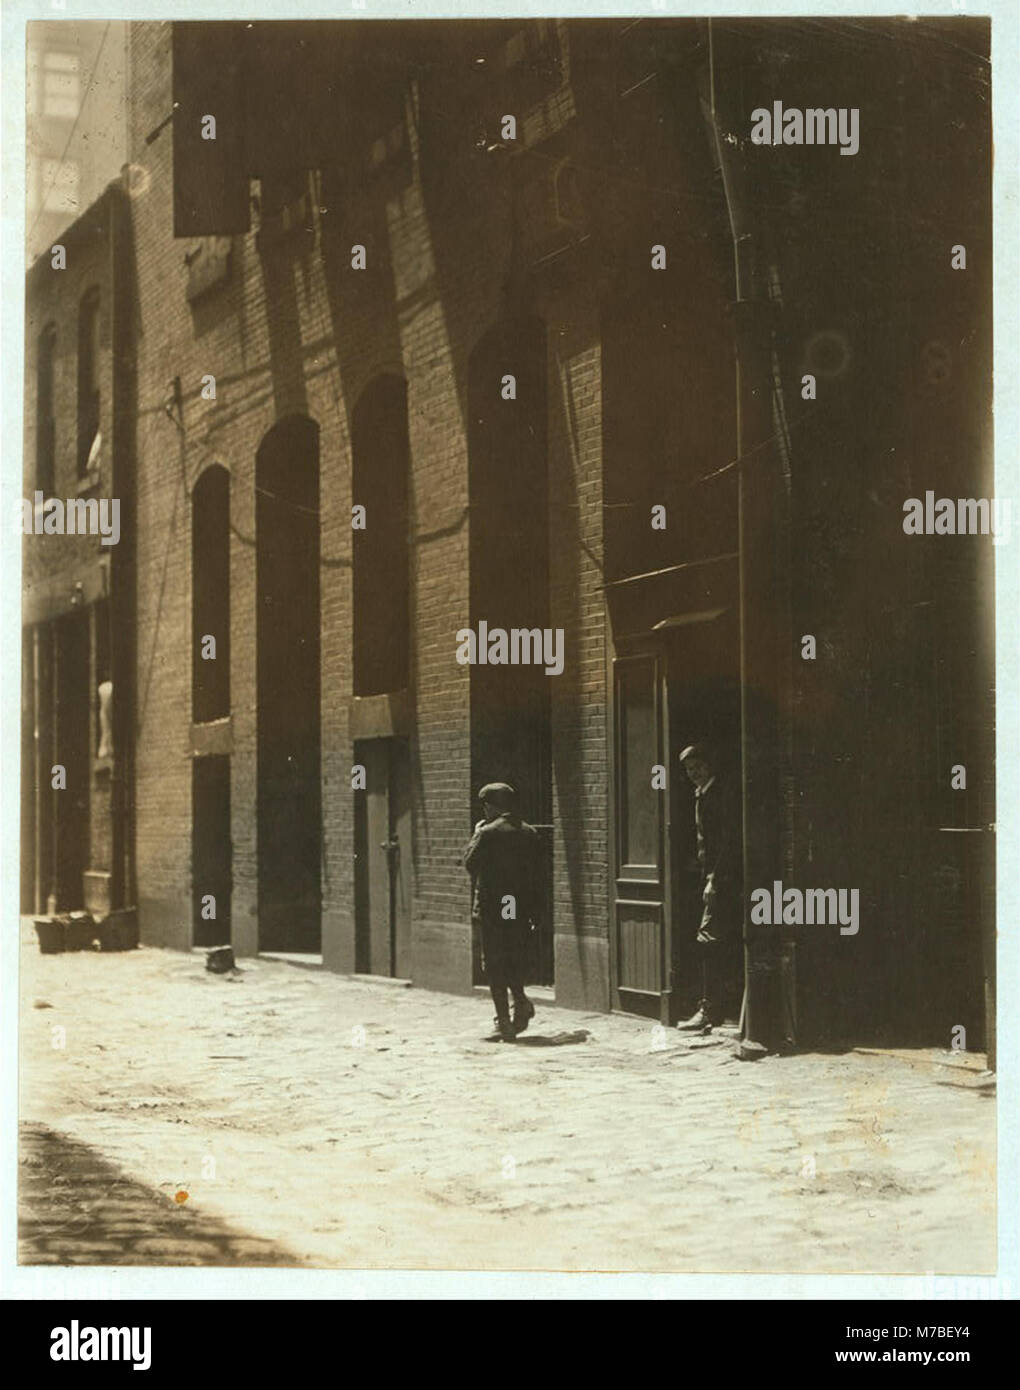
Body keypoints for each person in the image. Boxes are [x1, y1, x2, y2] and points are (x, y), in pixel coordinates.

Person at [463, 782, 541, 1043]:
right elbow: (539, 874)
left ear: (491, 806)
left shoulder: (487, 832)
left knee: (495, 964)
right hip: (517, 908)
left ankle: (503, 1022)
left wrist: (477, 833)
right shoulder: (529, 832)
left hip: (493, 908)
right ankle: (520, 1001)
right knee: (512, 958)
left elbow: (470, 863)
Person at [676, 744, 742, 1034]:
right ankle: (715, 1006)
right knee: (715, 940)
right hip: (711, 877)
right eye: (689, 770)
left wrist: (715, 877)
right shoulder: (702, 795)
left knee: (708, 939)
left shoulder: (719, 796)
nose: (693, 773)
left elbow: (727, 841)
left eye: (698, 767)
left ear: (709, 765)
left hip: (723, 880)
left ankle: (709, 1010)